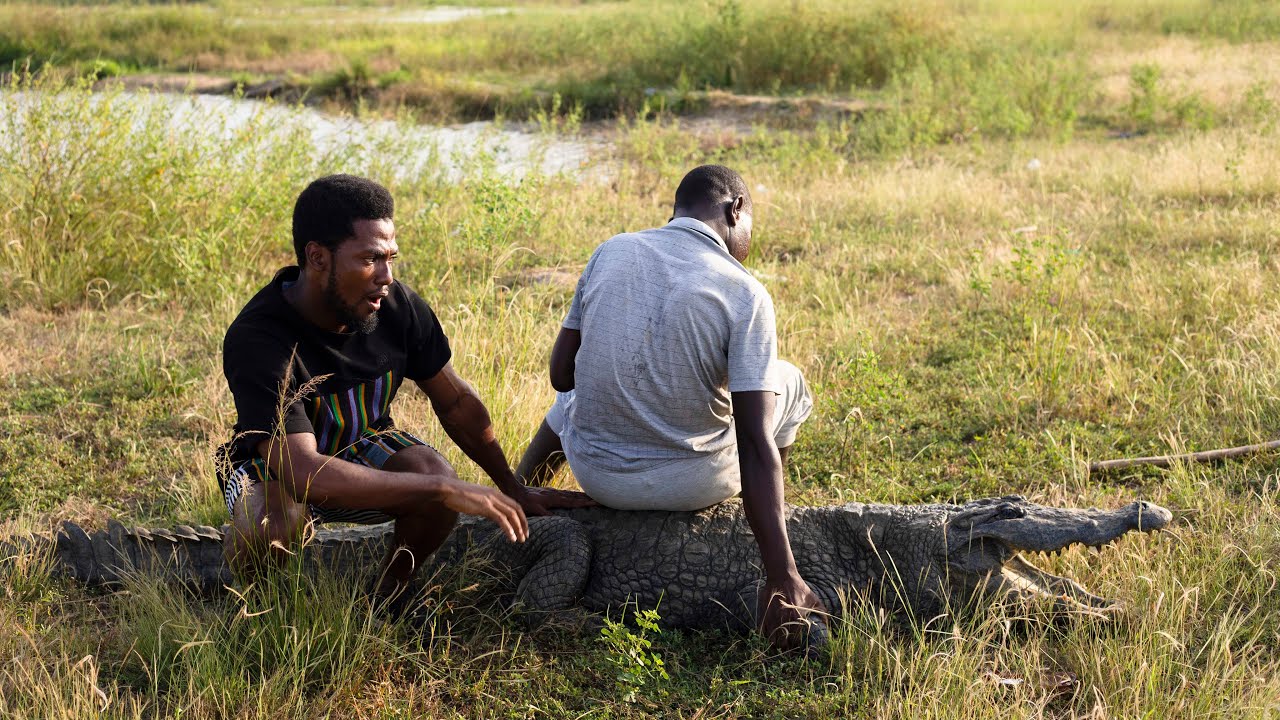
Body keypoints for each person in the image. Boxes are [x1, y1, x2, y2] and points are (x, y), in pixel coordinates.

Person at [218, 174, 592, 607]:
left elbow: (455, 403)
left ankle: (386, 599)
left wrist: (511, 485)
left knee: (437, 477)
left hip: (364, 444)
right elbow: (306, 472)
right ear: (317, 257)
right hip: (275, 463)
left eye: (391, 257)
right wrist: (437, 491)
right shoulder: (260, 339)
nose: (387, 277)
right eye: (371, 259)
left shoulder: (397, 307)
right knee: (275, 525)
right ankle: (254, 609)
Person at [515, 164, 826, 648]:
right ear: (735, 210)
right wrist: (784, 577)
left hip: (597, 474)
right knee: (790, 382)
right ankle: (765, 511)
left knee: (575, 393)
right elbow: (754, 442)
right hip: (690, 484)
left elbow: (561, 376)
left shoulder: (610, 251)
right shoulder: (744, 291)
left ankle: (521, 490)